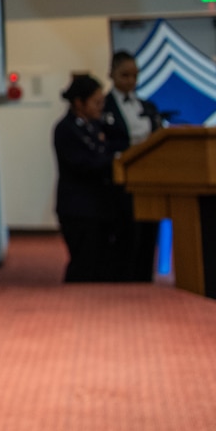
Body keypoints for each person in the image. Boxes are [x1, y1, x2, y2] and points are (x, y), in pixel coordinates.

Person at [53, 73, 134, 283]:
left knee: (102, 264)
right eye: (96, 102)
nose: (101, 107)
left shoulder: (95, 126)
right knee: (84, 264)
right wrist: (114, 159)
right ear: (79, 103)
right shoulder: (66, 129)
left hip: (99, 206)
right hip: (78, 208)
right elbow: (85, 163)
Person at [106, 50, 165, 282]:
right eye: (125, 75)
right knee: (126, 237)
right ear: (111, 74)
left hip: (148, 181)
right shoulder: (104, 107)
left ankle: (144, 279)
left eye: (134, 76)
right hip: (121, 185)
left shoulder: (148, 106)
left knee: (148, 236)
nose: (130, 81)